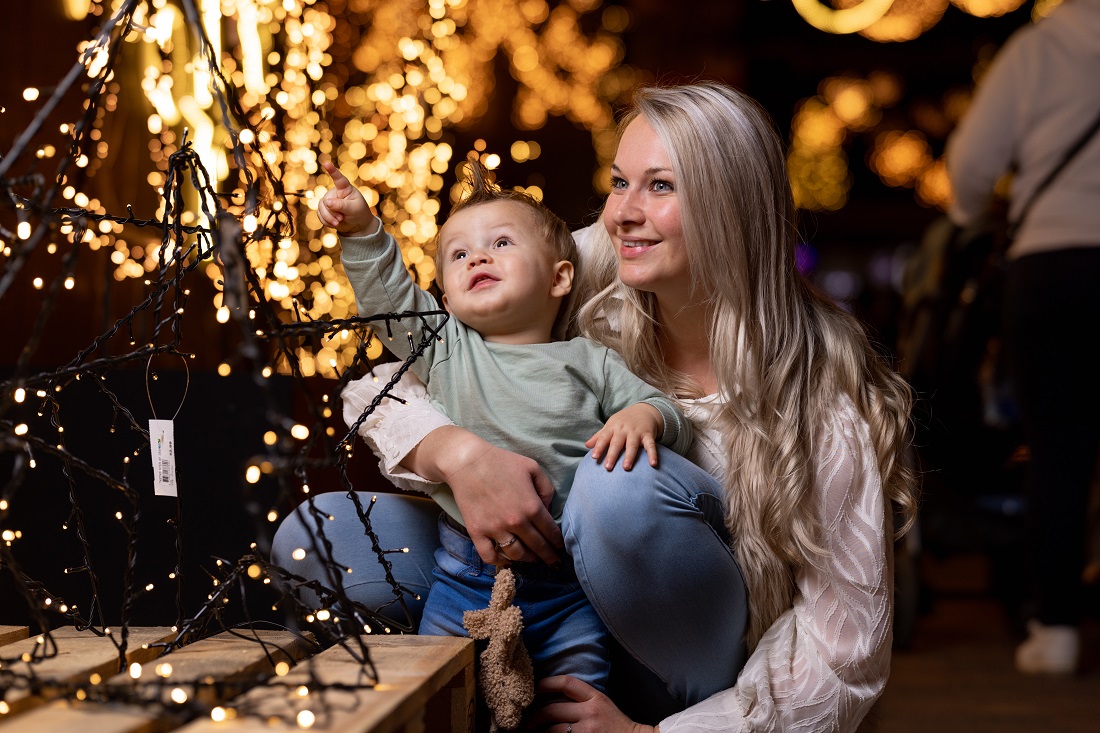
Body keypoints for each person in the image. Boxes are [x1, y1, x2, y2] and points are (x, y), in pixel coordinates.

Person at [273, 82, 917, 732]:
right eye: (618, 182)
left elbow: (845, 655)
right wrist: (459, 455)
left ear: (731, 206)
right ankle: (504, 685)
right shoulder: (585, 267)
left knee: (616, 486)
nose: (622, 213)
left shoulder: (818, 388)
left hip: (692, 675)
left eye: (660, 186)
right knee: (318, 537)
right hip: (533, 577)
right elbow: (376, 383)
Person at [306, 157, 694, 702]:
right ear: (445, 300)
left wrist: (644, 415)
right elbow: (389, 299)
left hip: (573, 588)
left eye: (502, 244)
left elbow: (668, 414)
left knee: (572, 699)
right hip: (462, 576)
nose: (478, 257)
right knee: (438, 696)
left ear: (560, 277)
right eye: (459, 255)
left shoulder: (591, 361)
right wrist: (362, 231)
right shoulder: (446, 350)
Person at [945, 0, 1100, 676]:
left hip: (1055, 266)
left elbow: (973, 164)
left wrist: (970, 211)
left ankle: (1057, 624)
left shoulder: (1038, 50)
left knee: (1059, 447)